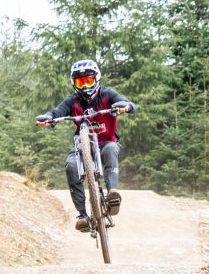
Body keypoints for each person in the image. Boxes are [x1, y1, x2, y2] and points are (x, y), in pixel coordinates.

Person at [36, 59, 136, 231]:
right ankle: (82, 214)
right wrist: (48, 118)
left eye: (88, 81)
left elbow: (128, 104)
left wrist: (125, 107)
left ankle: (112, 194)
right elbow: (56, 112)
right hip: (82, 146)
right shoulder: (72, 101)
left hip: (106, 142)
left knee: (111, 149)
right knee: (71, 166)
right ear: (74, 83)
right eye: (80, 82)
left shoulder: (107, 94)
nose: (85, 86)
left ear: (97, 79)